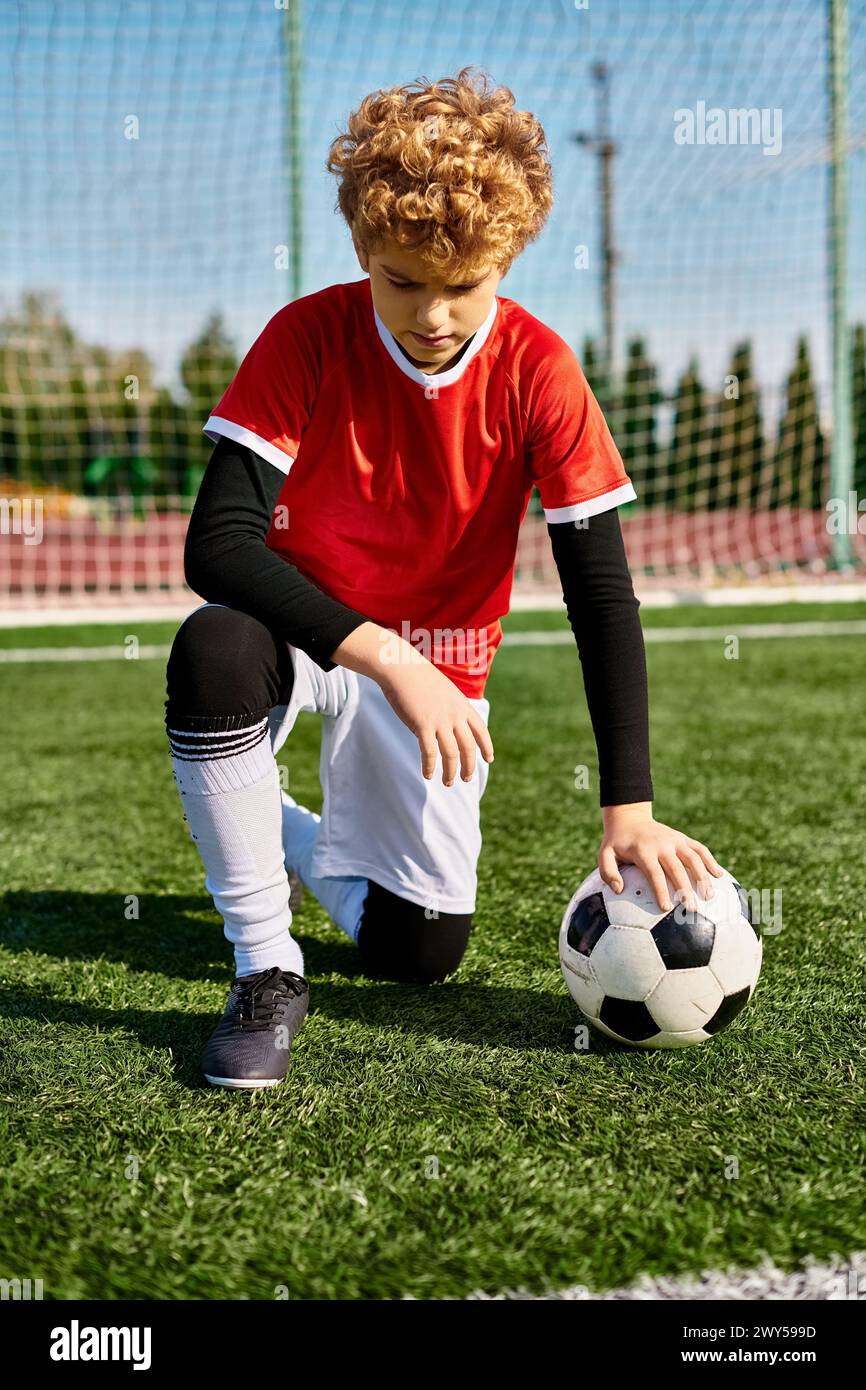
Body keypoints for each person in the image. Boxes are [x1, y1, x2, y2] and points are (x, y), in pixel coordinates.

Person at [164, 66, 723, 1089]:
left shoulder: (539, 371)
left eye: (462, 286)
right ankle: (265, 968)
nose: (430, 314)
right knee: (213, 645)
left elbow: (599, 591)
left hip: (445, 656)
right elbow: (220, 546)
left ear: (507, 260)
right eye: (400, 280)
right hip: (314, 634)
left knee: (419, 950)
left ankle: (280, 824)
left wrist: (627, 809)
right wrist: (379, 652)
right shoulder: (306, 337)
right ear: (361, 254)